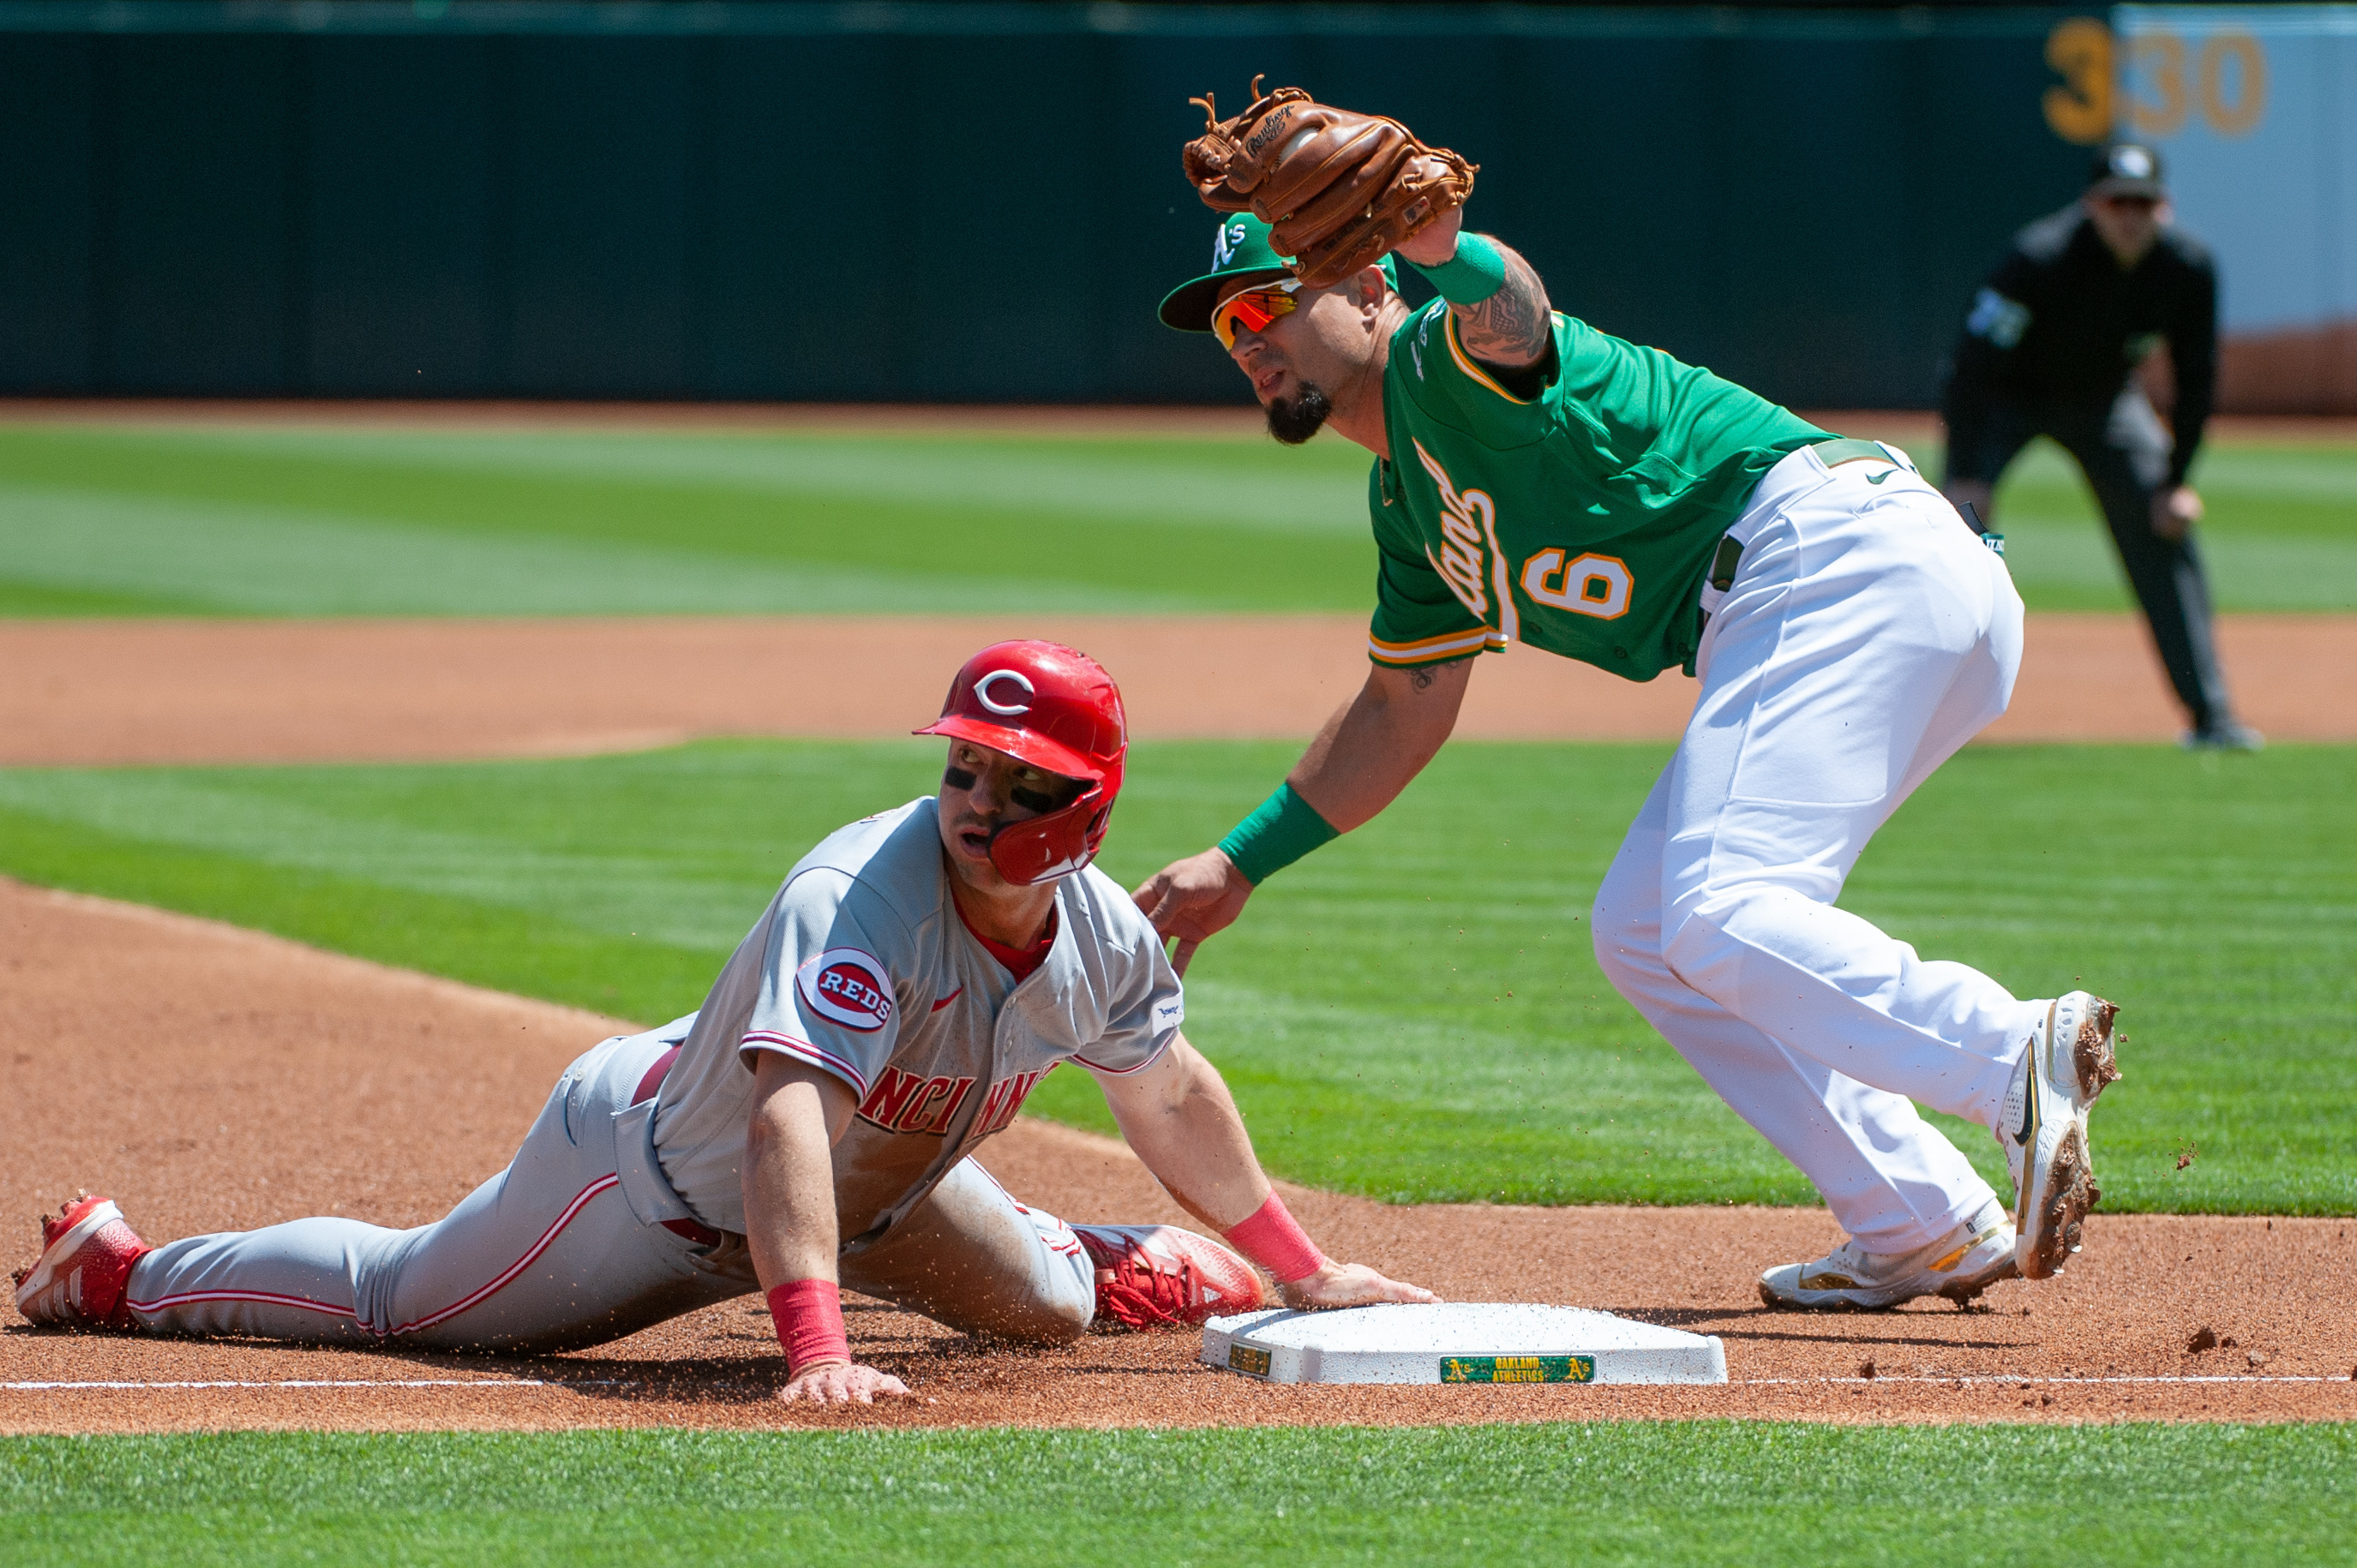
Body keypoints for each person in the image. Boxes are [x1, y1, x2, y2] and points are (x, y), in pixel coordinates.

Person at [1138, 189, 2121, 1312]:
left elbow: (1513, 316)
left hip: (1833, 555)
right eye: (1227, 326)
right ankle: (1917, 1220)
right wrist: (1239, 860)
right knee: (1648, 931)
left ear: (1368, 290)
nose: (1249, 340)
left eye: (1267, 302)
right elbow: (1403, 706)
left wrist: (1444, 249)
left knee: (1713, 904)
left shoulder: (1432, 365)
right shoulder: (1408, 499)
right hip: (1867, 582)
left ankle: (2006, 1056)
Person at [13, 641, 1430, 1403]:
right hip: (649, 1186)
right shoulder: (858, 899)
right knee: (415, 1308)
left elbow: (1168, 1091)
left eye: (1018, 782)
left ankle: (1123, 1260)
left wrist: (1303, 1271)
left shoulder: (1102, 932)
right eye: (965, 771)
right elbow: (785, 1121)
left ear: (1089, 811)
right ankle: (123, 1272)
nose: (977, 804)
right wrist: (813, 1345)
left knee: (1050, 1311)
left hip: (879, 1189)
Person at [1942, 141, 2258, 750]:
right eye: (2118, 202)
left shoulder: (2187, 267)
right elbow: (1972, 364)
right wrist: (1965, 472)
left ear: (2164, 208)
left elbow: (2197, 380)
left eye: (2144, 203)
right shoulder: (2039, 257)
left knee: (2162, 527)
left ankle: (2212, 718)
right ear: (2093, 205)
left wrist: (2176, 480)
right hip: (2009, 401)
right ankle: (1934, 714)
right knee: (1961, 533)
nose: (2131, 216)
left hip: (2105, 403)